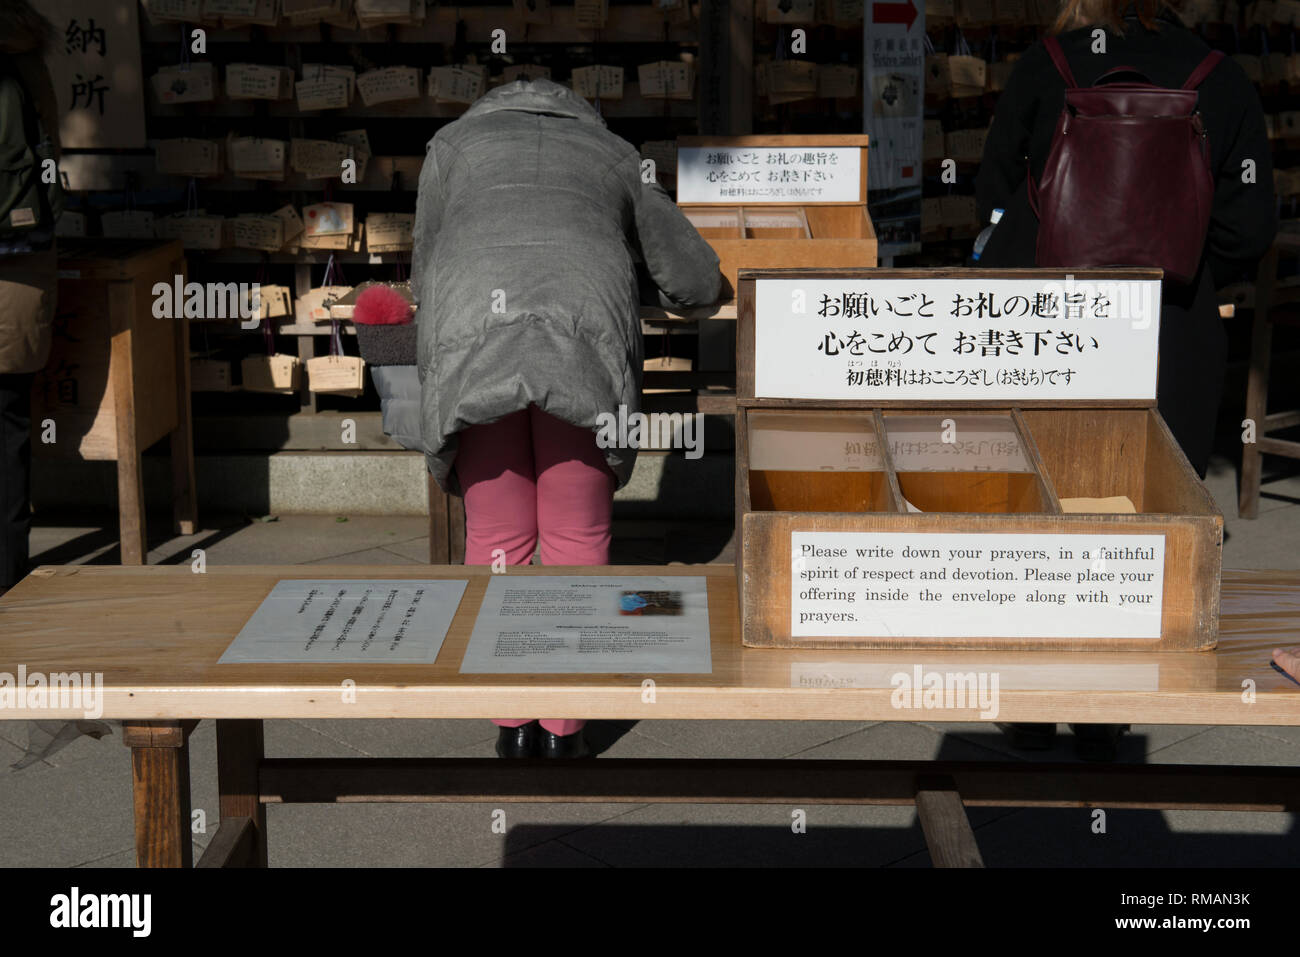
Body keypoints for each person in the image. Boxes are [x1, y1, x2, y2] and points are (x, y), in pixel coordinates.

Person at [974, 0, 1277, 759]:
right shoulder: (1223, 78)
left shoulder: (1048, 66)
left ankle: (1033, 696)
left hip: (1047, 322)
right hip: (1171, 324)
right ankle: (1110, 700)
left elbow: (995, 198)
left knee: (1037, 501)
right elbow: (1250, 225)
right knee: (1141, 510)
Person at [410, 78, 720, 759]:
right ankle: (566, 733)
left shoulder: (452, 147)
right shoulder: (613, 154)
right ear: (581, 113)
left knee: (497, 533)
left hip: (473, 342)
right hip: (583, 346)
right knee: (577, 534)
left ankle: (511, 723)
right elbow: (695, 280)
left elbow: (425, 267)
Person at [0, 2, 58, 599]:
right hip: (20, 267)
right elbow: (51, 159)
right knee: (10, 424)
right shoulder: (27, 60)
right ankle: (8, 580)